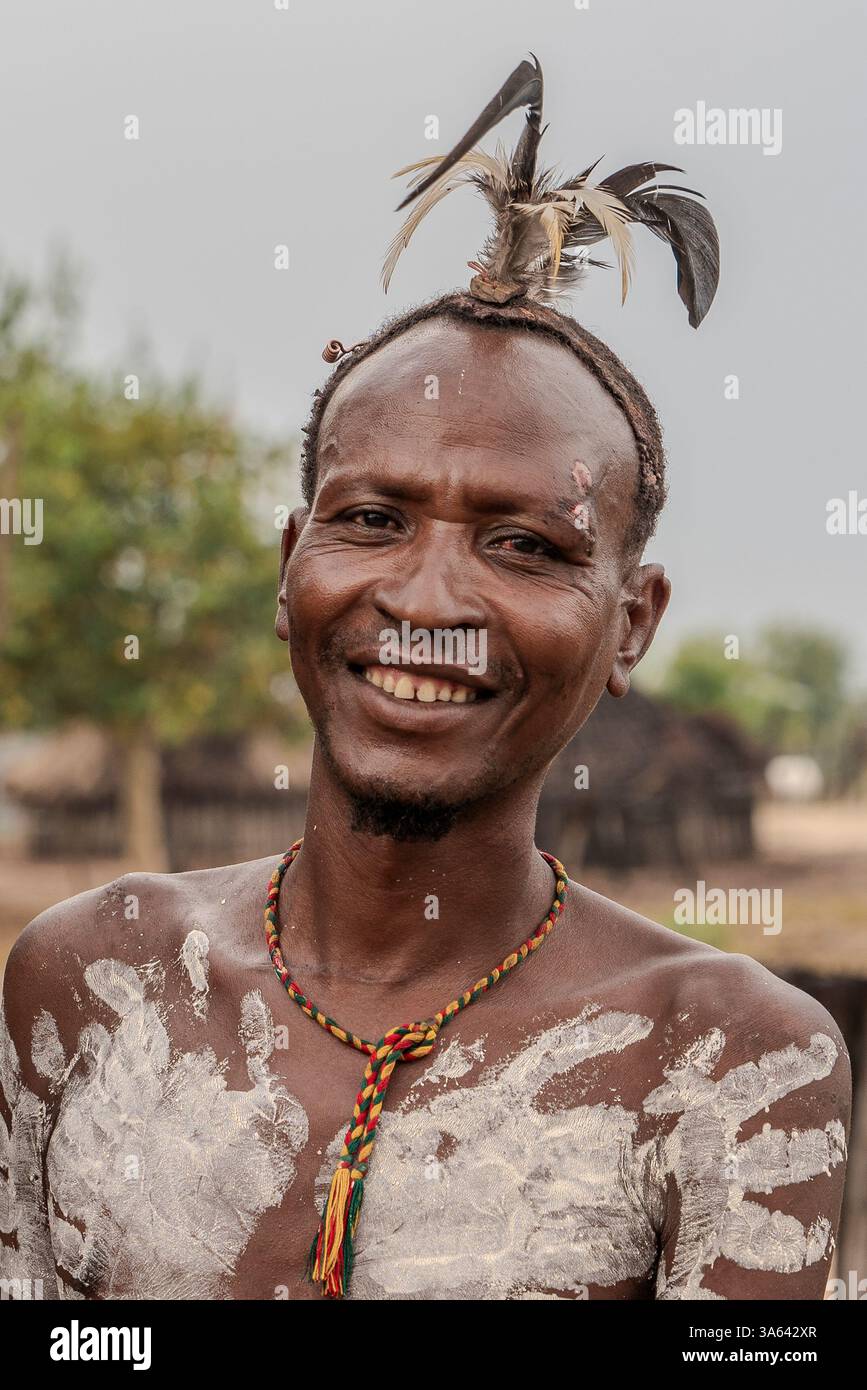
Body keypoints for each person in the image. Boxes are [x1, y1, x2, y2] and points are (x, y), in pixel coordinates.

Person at [0, 58, 850, 1302]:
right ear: (293, 566)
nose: (429, 601)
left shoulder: (727, 1057)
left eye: (525, 547)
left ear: (631, 625)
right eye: (373, 518)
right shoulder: (87, 982)